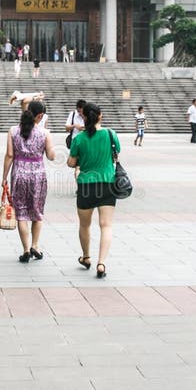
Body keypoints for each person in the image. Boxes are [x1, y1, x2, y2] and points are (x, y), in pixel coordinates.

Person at [66, 103, 120, 280]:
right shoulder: (111, 134)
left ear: (84, 118)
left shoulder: (79, 138)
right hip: (107, 183)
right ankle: (101, 262)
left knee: (84, 225)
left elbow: (71, 163)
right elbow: (116, 153)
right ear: (100, 116)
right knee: (106, 225)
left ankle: (86, 257)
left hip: (86, 186)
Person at [2, 100, 55, 263]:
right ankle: (35, 246)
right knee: (37, 212)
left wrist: (4, 177)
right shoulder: (44, 133)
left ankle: (25, 249)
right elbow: (51, 156)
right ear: (40, 116)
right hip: (38, 176)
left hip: (19, 174)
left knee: (22, 213)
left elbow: (10, 155)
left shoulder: (13, 131)